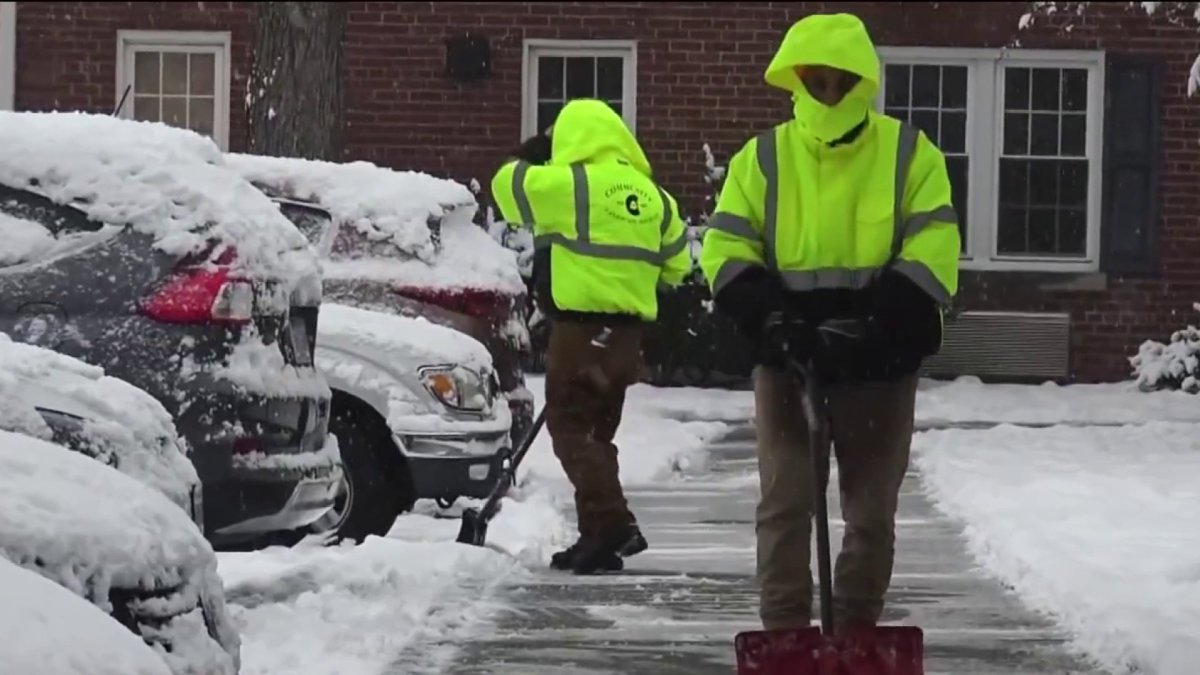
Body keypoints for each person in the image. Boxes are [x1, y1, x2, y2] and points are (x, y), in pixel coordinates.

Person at [699, 13, 961, 633]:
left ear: (861, 80)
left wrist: (877, 326)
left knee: (871, 514)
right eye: (814, 78)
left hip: (880, 362)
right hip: (789, 359)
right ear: (794, 77)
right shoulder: (762, 159)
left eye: (839, 79)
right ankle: (787, 637)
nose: (827, 90)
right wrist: (773, 322)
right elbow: (728, 252)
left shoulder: (909, 154)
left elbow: (934, 248)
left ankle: (855, 634)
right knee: (786, 505)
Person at [491, 99, 692, 574]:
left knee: (571, 431)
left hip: (582, 330)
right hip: (625, 338)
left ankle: (616, 525)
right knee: (598, 436)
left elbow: (506, 187)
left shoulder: (572, 183)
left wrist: (535, 155)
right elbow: (679, 264)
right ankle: (597, 542)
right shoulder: (655, 197)